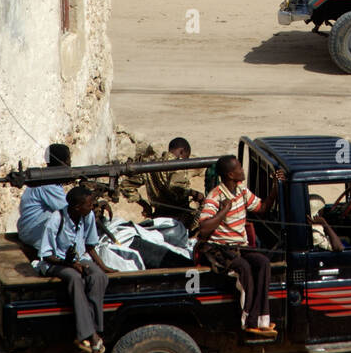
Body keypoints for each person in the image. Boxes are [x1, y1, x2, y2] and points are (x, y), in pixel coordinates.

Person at [194, 155, 285, 339]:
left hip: (239, 246)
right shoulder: (215, 196)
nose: (243, 171)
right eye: (239, 169)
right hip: (219, 248)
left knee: (263, 262)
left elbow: (262, 208)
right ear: (230, 174)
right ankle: (248, 321)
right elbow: (203, 230)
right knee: (243, 268)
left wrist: (276, 186)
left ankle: (262, 320)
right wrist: (224, 211)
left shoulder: (242, 191)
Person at [36, 186, 111, 353]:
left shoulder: (88, 216)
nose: (92, 207)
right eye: (89, 204)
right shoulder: (57, 219)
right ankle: (88, 334)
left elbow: (90, 246)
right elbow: (46, 254)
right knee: (75, 279)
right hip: (56, 263)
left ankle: (95, 328)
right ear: (77, 207)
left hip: (78, 259)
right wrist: (70, 265)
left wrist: (104, 267)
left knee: (99, 277)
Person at [122, 136, 197, 226]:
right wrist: (193, 193)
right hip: (178, 219)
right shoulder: (178, 164)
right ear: (181, 152)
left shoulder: (151, 165)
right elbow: (176, 187)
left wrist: (144, 204)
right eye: (186, 157)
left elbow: (126, 185)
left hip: (158, 218)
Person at [17, 143, 71, 251]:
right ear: (63, 162)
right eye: (69, 158)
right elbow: (68, 210)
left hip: (27, 228)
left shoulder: (44, 178)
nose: (70, 162)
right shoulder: (48, 184)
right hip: (32, 233)